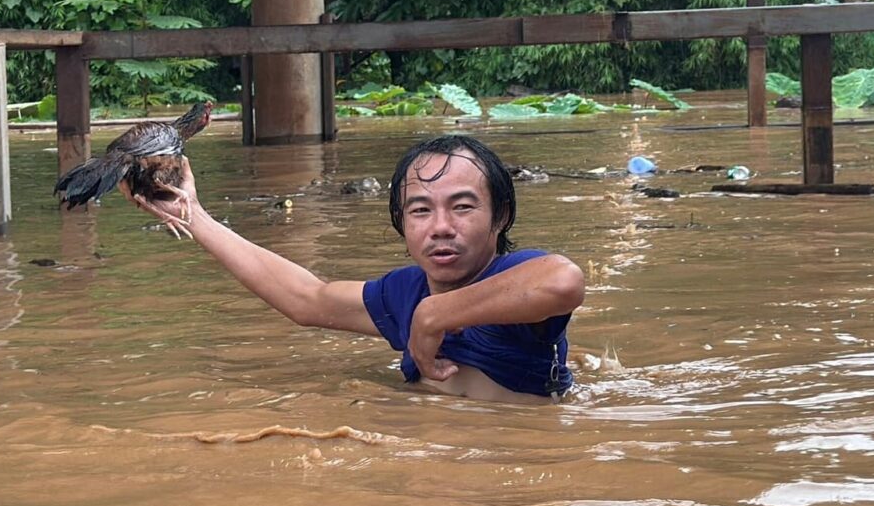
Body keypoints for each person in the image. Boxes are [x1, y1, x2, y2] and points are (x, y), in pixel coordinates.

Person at [133, 135, 585, 403]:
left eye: (463, 207)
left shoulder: (514, 277)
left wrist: (435, 317)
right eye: (421, 210)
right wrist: (192, 213)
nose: (441, 227)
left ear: (501, 216)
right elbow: (307, 299)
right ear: (401, 222)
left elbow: (563, 279)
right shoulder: (404, 294)